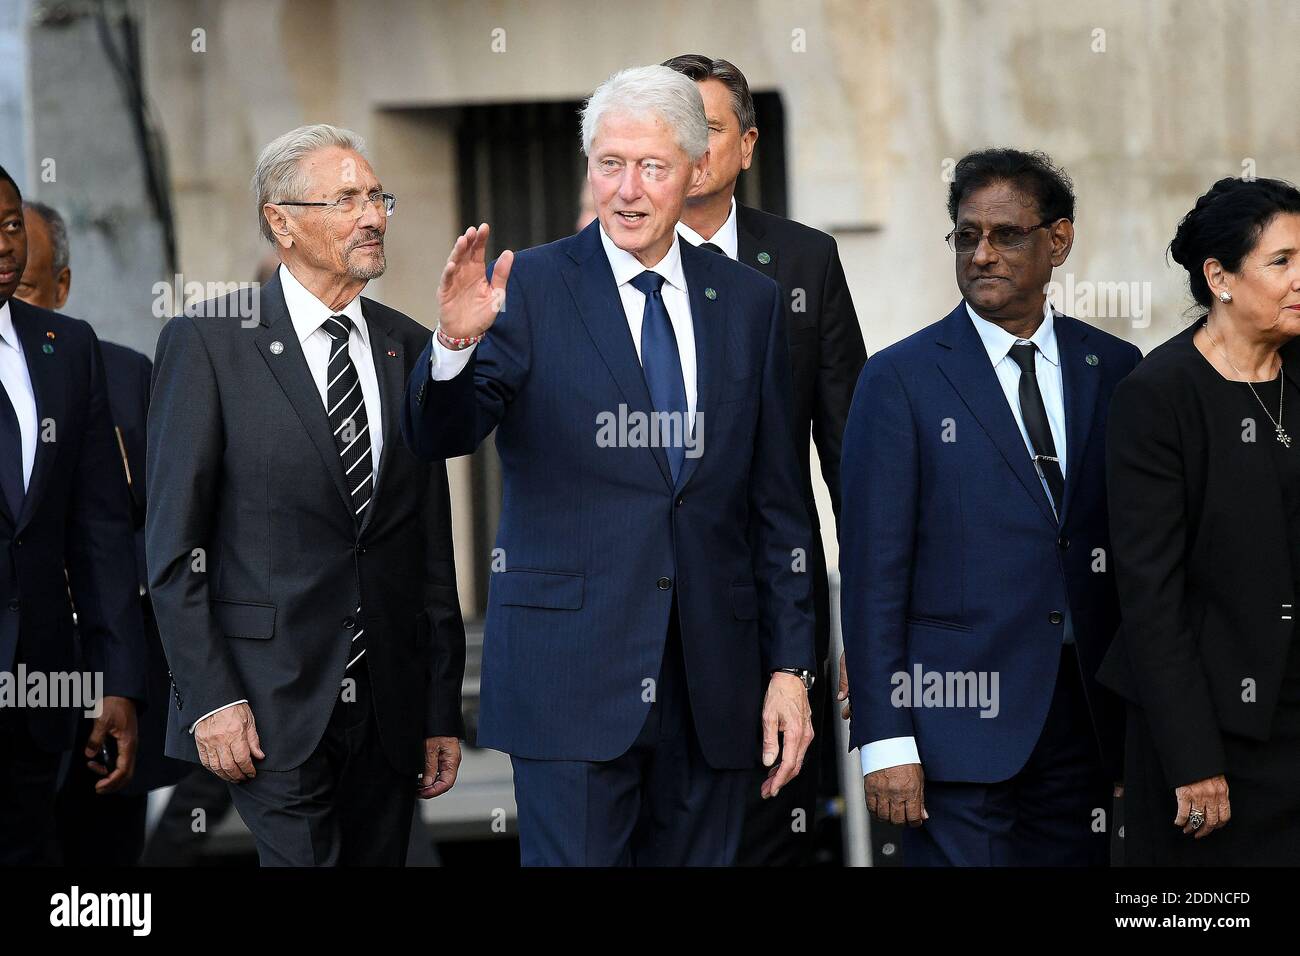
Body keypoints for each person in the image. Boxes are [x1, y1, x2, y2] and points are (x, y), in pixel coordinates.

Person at [401, 65, 816, 866]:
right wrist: (451, 345)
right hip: (570, 682)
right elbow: (441, 433)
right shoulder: (529, 286)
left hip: (713, 686)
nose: (627, 190)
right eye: (609, 164)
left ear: (696, 172)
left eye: (652, 167)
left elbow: (777, 504)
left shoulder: (750, 302)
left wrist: (790, 667)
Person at [146, 124, 467, 866]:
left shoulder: (410, 345)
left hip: (387, 710)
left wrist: (438, 706)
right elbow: (171, 547)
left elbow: (428, 543)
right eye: (347, 199)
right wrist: (210, 699)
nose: (374, 216)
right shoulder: (210, 342)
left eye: (378, 197)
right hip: (266, 703)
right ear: (281, 222)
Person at [840, 148, 1141, 865]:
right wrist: (885, 739)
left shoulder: (1116, 368)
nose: (982, 254)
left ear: (1057, 241)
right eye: (966, 235)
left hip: (1086, 723)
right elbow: (874, 571)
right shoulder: (899, 380)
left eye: (1006, 235)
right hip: (953, 732)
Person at [663, 52, 866, 865]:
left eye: (707, 129)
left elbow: (850, 448)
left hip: (769, 602)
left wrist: (868, 629)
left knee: (768, 831)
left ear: (746, 145)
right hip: (639, 610)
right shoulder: (594, 265)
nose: (689, 146)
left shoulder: (805, 262)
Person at [1100, 176, 1300, 865]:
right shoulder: (1159, 396)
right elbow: (1150, 595)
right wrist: (1191, 757)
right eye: (1281, 262)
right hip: (1216, 737)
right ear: (1219, 276)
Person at [16, 200, 189, 864]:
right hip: (16, 675)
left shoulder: (122, 375)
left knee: (102, 875)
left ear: (60, 287)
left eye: (26, 286)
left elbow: (157, 520)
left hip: (103, 679)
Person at [0, 166, 147, 864]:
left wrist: (116, 678)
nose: (4, 245)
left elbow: (101, 531)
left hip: (40, 699)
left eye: (8, 227)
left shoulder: (67, 348)